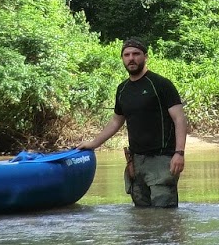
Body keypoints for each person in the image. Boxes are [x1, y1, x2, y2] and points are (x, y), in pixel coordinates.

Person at [80, 38, 187, 208]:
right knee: (141, 215)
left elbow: (179, 118)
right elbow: (116, 121)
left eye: (136, 54)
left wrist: (179, 153)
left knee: (165, 214)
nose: (131, 58)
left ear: (145, 57)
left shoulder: (161, 84)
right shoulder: (122, 89)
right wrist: (93, 144)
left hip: (162, 160)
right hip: (136, 162)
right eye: (127, 55)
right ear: (122, 58)